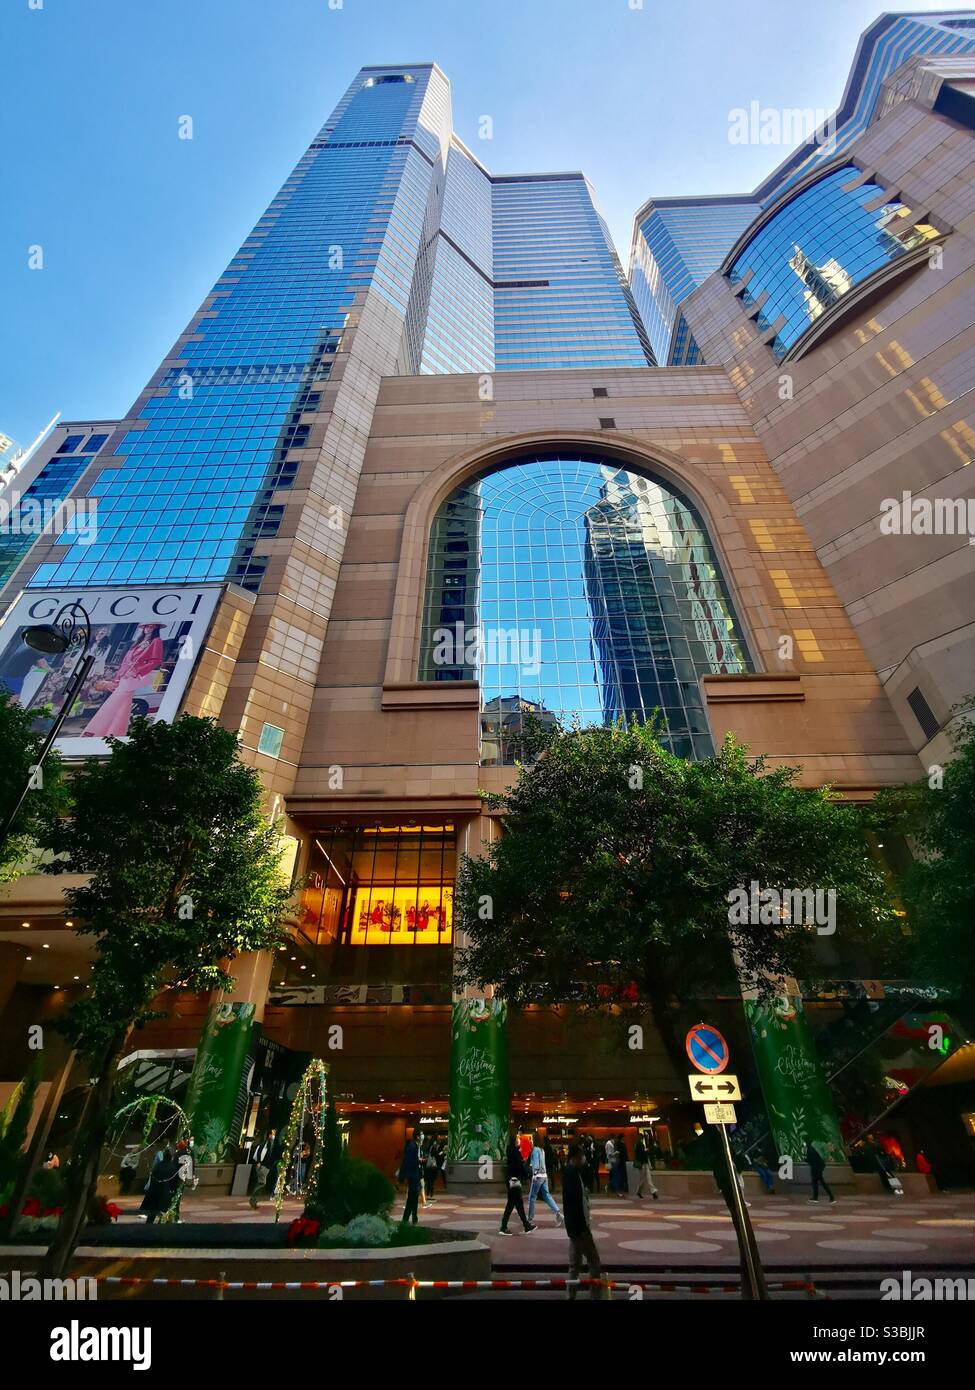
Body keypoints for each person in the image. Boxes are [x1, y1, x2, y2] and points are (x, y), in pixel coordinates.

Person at [82, 622, 165, 738]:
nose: (148, 628)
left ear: (155, 628)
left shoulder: (156, 641)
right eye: (146, 626)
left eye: (151, 626)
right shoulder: (137, 642)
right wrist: (117, 678)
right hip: (125, 676)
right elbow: (125, 663)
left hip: (135, 676)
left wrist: (137, 670)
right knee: (123, 706)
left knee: (112, 703)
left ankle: (94, 731)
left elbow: (156, 660)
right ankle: (115, 733)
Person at [562, 1142, 609, 1300]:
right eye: (581, 1156)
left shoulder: (573, 1172)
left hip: (575, 1226)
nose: (583, 1159)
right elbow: (573, 1202)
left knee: (574, 1265)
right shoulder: (571, 1173)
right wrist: (581, 1226)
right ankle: (595, 1295)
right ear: (576, 1157)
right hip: (580, 1227)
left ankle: (571, 1295)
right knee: (594, 1261)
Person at [499, 1127, 537, 1235]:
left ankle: (524, 1225)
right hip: (515, 1180)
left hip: (511, 1179)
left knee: (514, 1203)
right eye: (516, 1138)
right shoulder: (515, 1152)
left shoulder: (510, 1151)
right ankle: (507, 1227)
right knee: (515, 1203)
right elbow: (519, 1166)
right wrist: (526, 1174)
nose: (518, 1140)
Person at [527, 1134, 564, 1226]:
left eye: (531, 1139)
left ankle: (529, 1218)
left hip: (538, 1176)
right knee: (547, 1196)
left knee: (532, 1197)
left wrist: (534, 1174)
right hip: (544, 1176)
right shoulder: (542, 1150)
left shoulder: (535, 1150)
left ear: (535, 1140)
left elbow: (536, 1163)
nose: (531, 1141)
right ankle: (558, 1214)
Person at [139, 1146, 181, 1224]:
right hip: (165, 1194)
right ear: (172, 1156)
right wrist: (174, 1192)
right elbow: (174, 1183)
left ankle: (147, 1228)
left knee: (152, 1215)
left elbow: (152, 1179)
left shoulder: (157, 1166)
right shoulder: (172, 1168)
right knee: (165, 1215)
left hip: (154, 1192)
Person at [249, 1128, 279, 1208]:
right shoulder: (265, 1143)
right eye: (272, 1134)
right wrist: (259, 1162)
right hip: (262, 1165)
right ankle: (253, 1198)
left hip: (266, 1166)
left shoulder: (271, 1144)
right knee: (262, 1183)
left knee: (261, 1183)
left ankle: (254, 1201)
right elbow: (260, 1151)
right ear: (269, 1135)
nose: (273, 1136)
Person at [398, 1129, 422, 1226]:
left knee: (414, 1197)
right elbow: (408, 1161)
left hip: (413, 1175)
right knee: (412, 1197)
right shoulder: (412, 1147)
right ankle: (408, 1218)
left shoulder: (414, 1146)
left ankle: (412, 1217)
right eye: (421, 1134)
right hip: (413, 1175)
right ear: (417, 1136)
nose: (422, 1136)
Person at [805, 1139, 836, 1204]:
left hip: (815, 1166)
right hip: (817, 1166)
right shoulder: (818, 1145)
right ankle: (815, 1197)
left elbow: (811, 1157)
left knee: (820, 1182)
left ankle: (831, 1197)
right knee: (815, 1182)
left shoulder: (814, 1145)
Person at [633, 1135, 659, 1199]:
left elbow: (637, 1155)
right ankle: (653, 1192)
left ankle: (651, 1192)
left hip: (642, 1164)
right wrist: (646, 1151)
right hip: (644, 1164)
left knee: (643, 1179)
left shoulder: (637, 1145)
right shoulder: (640, 1144)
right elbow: (641, 1154)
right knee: (647, 1178)